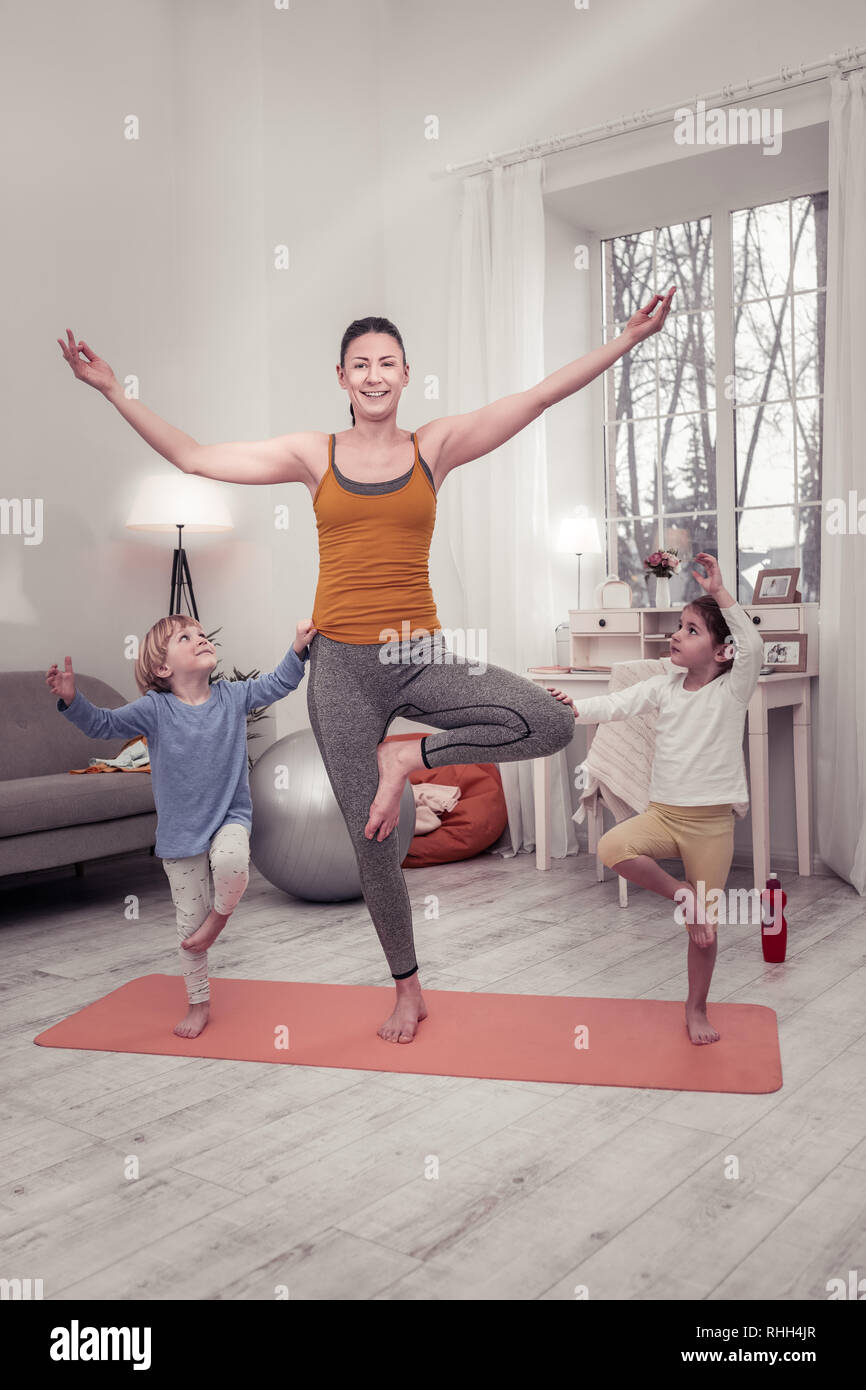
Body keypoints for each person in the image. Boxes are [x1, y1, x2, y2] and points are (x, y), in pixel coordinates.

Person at [56, 286, 674, 1043]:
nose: (375, 376)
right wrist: (115, 390)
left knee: (548, 719)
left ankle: (407, 755)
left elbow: (539, 396)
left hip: (419, 653)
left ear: (406, 374)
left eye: (388, 363)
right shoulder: (312, 454)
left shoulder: (434, 447)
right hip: (343, 667)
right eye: (361, 365)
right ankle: (407, 989)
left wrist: (628, 340)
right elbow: (194, 455)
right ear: (342, 379)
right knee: (373, 844)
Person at [46, 615, 314, 1038]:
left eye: (202, 634)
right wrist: (71, 699)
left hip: (230, 814)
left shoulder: (232, 695)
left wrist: (298, 648)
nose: (201, 639)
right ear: (162, 668)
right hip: (180, 833)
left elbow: (277, 683)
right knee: (189, 931)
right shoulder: (155, 709)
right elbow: (104, 724)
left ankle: (219, 921)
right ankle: (199, 1003)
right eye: (185, 637)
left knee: (232, 862)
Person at [546, 554, 764, 1045]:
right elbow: (615, 705)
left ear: (722, 652)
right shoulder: (664, 687)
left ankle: (696, 1007)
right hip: (664, 815)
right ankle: (681, 896)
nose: (677, 635)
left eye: (691, 630)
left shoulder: (732, 692)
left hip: (712, 826)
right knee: (611, 847)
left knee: (704, 932)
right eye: (678, 627)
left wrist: (722, 591)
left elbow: (753, 643)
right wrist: (574, 707)